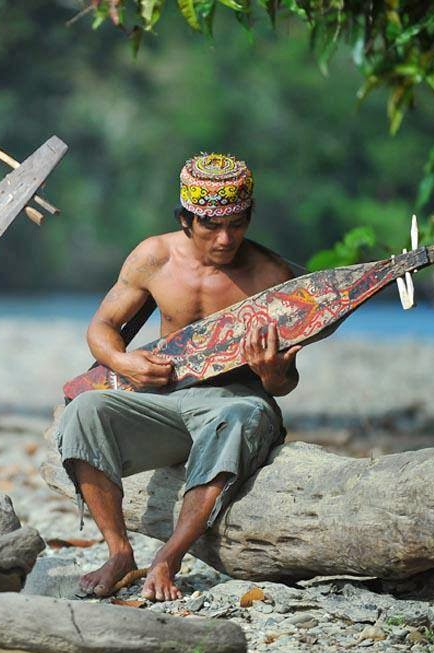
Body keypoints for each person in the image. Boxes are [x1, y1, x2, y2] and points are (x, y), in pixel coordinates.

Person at [55, 153, 300, 601]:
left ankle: (169, 556)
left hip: (233, 401)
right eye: (211, 225)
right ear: (186, 219)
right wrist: (124, 362)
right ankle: (119, 553)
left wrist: (273, 373)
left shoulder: (272, 276)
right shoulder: (154, 256)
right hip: (163, 398)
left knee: (243, 414)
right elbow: (102, 327)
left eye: (237, 224)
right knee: (85, 411)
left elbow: (284, 384)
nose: (226, 238)